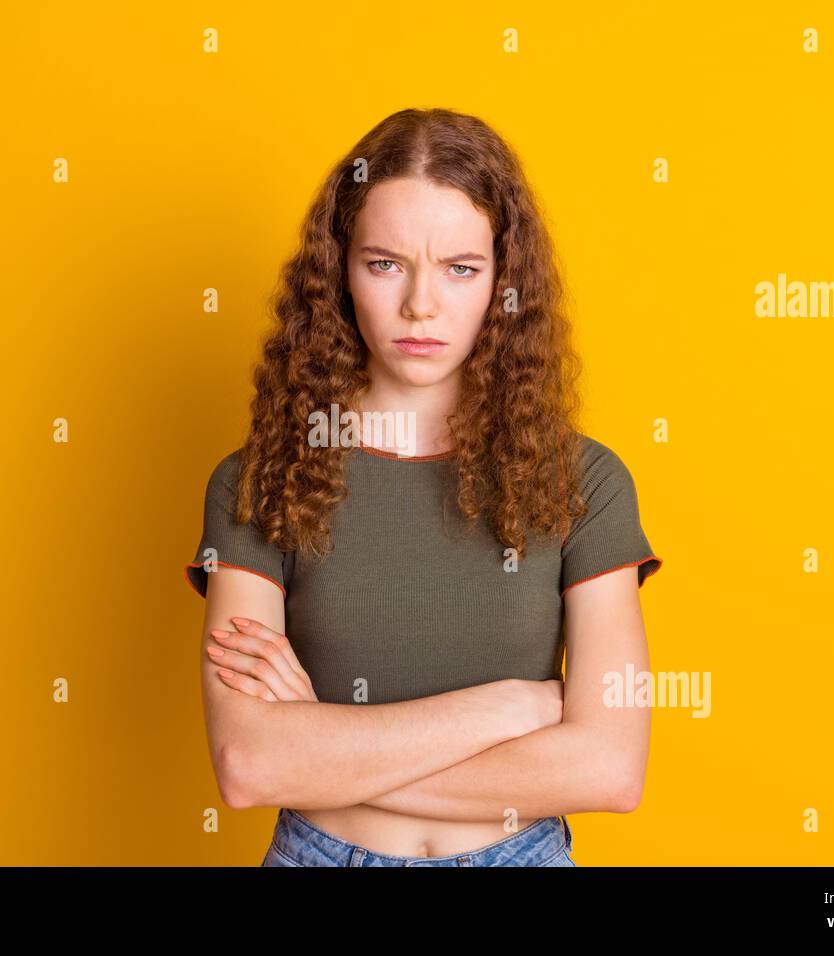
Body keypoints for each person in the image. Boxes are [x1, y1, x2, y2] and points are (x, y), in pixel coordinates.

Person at [184, 107, 662, 866]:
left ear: (505, 281)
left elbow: (608, 766)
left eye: (461, 268)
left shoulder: (585, 481)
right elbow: (251, 766)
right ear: (339, 271)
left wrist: (326, 747)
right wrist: (512, 707)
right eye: (385, 263)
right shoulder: (258, 482)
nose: (421, 305)